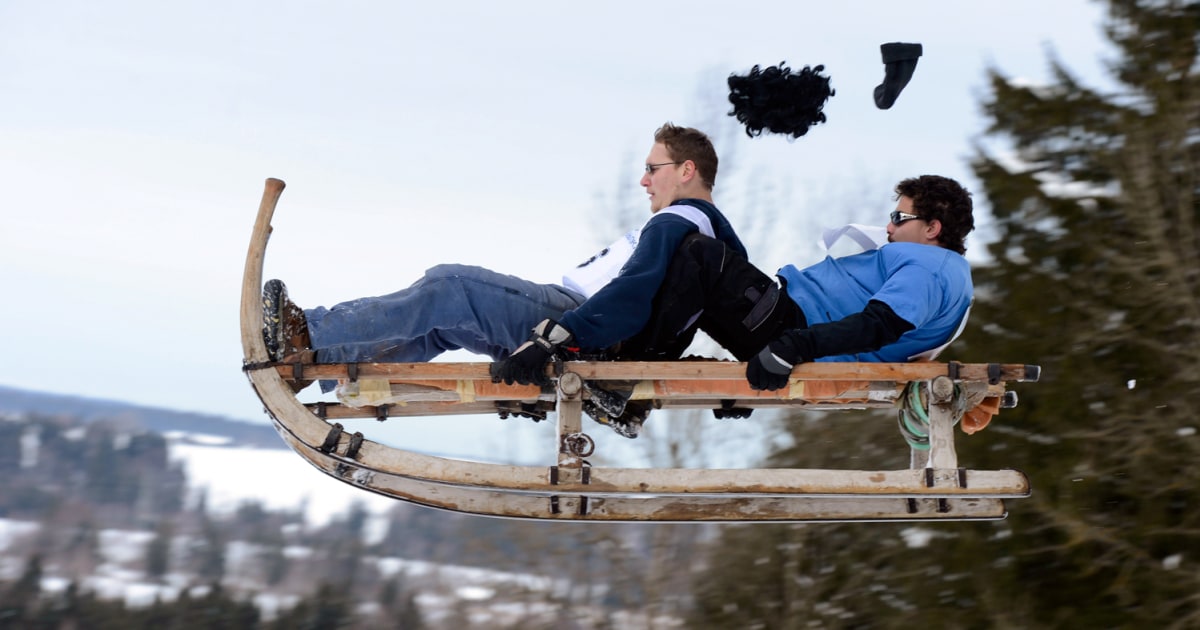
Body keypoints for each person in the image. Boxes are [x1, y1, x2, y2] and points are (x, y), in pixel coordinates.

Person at [262, 123, 749, 425]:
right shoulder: (700, 234)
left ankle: (310, 333)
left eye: (653, 167)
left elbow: (632, 293)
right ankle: (322, 359)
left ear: (686, 170)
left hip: (570, 322)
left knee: (450, 287)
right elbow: (688, 308)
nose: (644, 179)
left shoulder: (681, 219)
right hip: (573, 321)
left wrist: (558, 339)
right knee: (443, 326)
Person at [492, 174, 976, 431]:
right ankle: (627, 381)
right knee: (693, 268)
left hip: (793, 332)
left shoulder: (932, 267)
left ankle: (620, 375)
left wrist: (793, 347)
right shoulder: (936, 269)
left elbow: (879, 326)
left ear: (932, 228)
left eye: (899, 217)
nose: (889, 226)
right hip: (791, 328)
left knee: (700, 256)